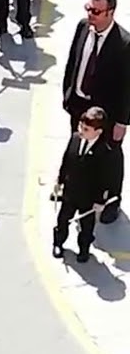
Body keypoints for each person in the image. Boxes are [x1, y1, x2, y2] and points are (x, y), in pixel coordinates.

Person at [60, 0, 128, 225]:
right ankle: (72, 191)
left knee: (109, 159)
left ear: (110, 13)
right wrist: (68, 94)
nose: (91, 14)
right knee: (78, 149)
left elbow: (127, 87)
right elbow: (73, 61)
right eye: (89, 8)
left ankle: (111, 201)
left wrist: (122, 121)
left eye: (96, 11)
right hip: (79, 104)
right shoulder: (82, 27)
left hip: (105, 115)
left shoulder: (124, 43)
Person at [52, 107, 117, 263]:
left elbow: (107, 179)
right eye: (81, 126)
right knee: (63, 220)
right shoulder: (75, 138)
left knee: (86, 227)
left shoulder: (105, 152)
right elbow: (66, 160)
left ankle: (84, 249)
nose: (81, 130)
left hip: (89, 197)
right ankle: (58, 243)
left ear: (98, 131)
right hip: (70, 191)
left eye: (86, 129)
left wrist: (101, 200)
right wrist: (60, 181)